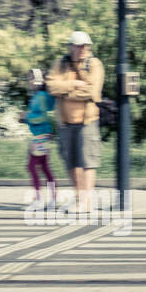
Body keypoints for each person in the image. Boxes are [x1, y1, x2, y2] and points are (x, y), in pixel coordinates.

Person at [45, 30, 104, 212]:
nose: (83, 50)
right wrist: (74, 85)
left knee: (87, 161)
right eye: (79, 46)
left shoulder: (94, 64)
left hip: (87, 121)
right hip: (65, 121)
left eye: (86, 46)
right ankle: (79, 197)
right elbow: (51, 86)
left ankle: (86, 201)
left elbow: (92, 92)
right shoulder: (60, 64)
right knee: (70, 161)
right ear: (71, 47)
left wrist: (66, 92)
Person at [20, 68, 56, 206]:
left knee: (32, 167)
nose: (28, 82)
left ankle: (40, 198)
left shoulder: (40, 96)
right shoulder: (38, 96)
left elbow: (42, 116)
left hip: (41, 135)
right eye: (27, 79)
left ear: (37, 81)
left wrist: (26, 117)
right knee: (44, 168)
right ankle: (51, 198)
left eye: (30, 79)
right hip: (41, 135)